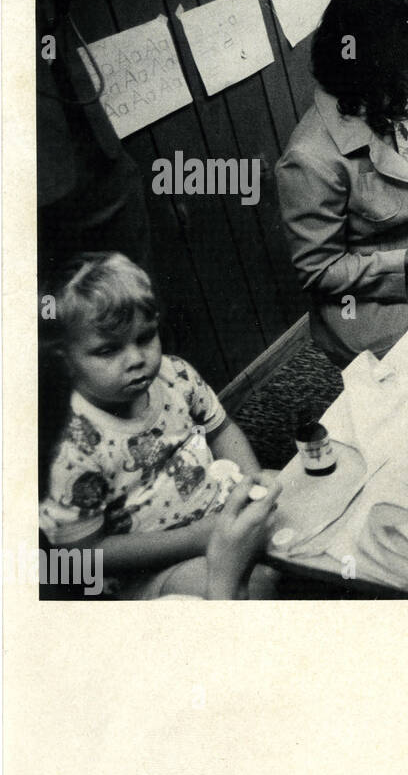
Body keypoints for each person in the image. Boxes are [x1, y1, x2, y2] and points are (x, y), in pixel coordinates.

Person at [38, 253, 280, 599]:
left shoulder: (175, 374)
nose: (136, 359)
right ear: (66, 362)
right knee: (254, 587)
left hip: (217, 509)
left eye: (145, 337)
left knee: (304, 510)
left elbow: (221, 430)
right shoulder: (73, 447)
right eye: (108, 350)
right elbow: (79, 553)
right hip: (152, 571)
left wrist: (251, 479)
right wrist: (197, 538)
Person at [276, 0, 408, 366]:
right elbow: (319, 273)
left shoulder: (398, 101)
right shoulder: (310, 158)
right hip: (374, 306)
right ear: (388, 65)